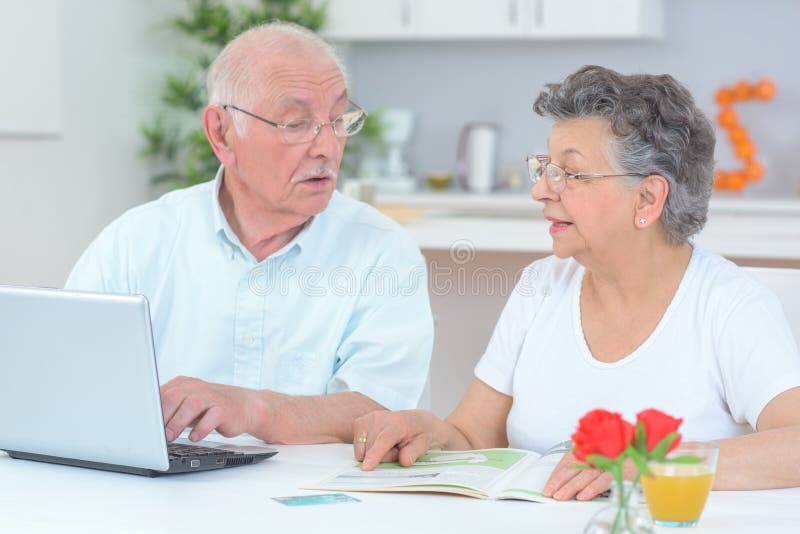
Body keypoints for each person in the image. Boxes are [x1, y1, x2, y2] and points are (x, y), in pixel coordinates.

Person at [352, 65, 800, 499]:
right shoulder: (541, 285)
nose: (541, 191)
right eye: (545, 169)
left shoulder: (729, 305)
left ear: (647, 197)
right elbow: (471, 435)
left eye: (571, 174)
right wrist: (422, 431)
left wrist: (649, 465)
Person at [65, 22, 433, 445]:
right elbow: (72, 384)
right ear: (221, 133)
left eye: (338, 120)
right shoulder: (134, 243)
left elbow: (381, 409)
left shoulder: (382, 250)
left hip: (314, 503)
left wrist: (252, 408)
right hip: (160, 499)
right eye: (296, 124)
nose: (327, 147)